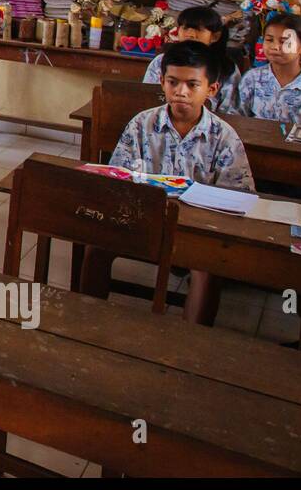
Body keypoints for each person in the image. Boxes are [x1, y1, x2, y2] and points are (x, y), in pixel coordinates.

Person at [81, 41, 255, 325]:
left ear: (212, 89)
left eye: (192, 84)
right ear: (161, 82)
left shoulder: (224, 137)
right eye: (173, 82)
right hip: (142, 220)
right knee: (97, 247)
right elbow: (117, 178)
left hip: (197, 231)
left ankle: (191, 340)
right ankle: (85, 320)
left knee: (206, 270)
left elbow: (240, 198)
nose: (181, 92)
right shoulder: (142, 124)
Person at [236, 13, 301, 127]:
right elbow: (236, 120)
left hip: (298, 145)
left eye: (284, 41)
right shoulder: (252, 78)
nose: (274, 47)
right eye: (269, 39)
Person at [143, 6, 240, 112]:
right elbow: (148, 97)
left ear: (215, 36)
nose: (190, 35)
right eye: (185, 28)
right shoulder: (160, 61)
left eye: (199, 30)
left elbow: (230, 111)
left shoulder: (227, 68)